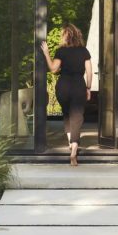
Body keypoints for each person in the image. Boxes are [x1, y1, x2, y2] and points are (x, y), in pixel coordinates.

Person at [41, 24, 93, 166]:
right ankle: (74, 150)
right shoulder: (84, 51)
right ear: (77, 35)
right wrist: (88, 88)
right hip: (78, 86)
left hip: (63, 87)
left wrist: (46, 53)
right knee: (77, 117)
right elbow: (89, 72)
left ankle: (71, 142)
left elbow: (53, 69)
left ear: (65, 36)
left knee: (67, 114)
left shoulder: (61, 51)